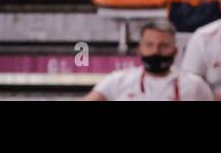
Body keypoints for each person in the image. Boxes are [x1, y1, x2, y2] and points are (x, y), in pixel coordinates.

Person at [84, 22, 213, 101]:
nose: (156, 51)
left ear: (175, 51)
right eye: (149, 45)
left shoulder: (194, 85)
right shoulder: (118, 81)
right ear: (140, 49)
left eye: (163, 45)